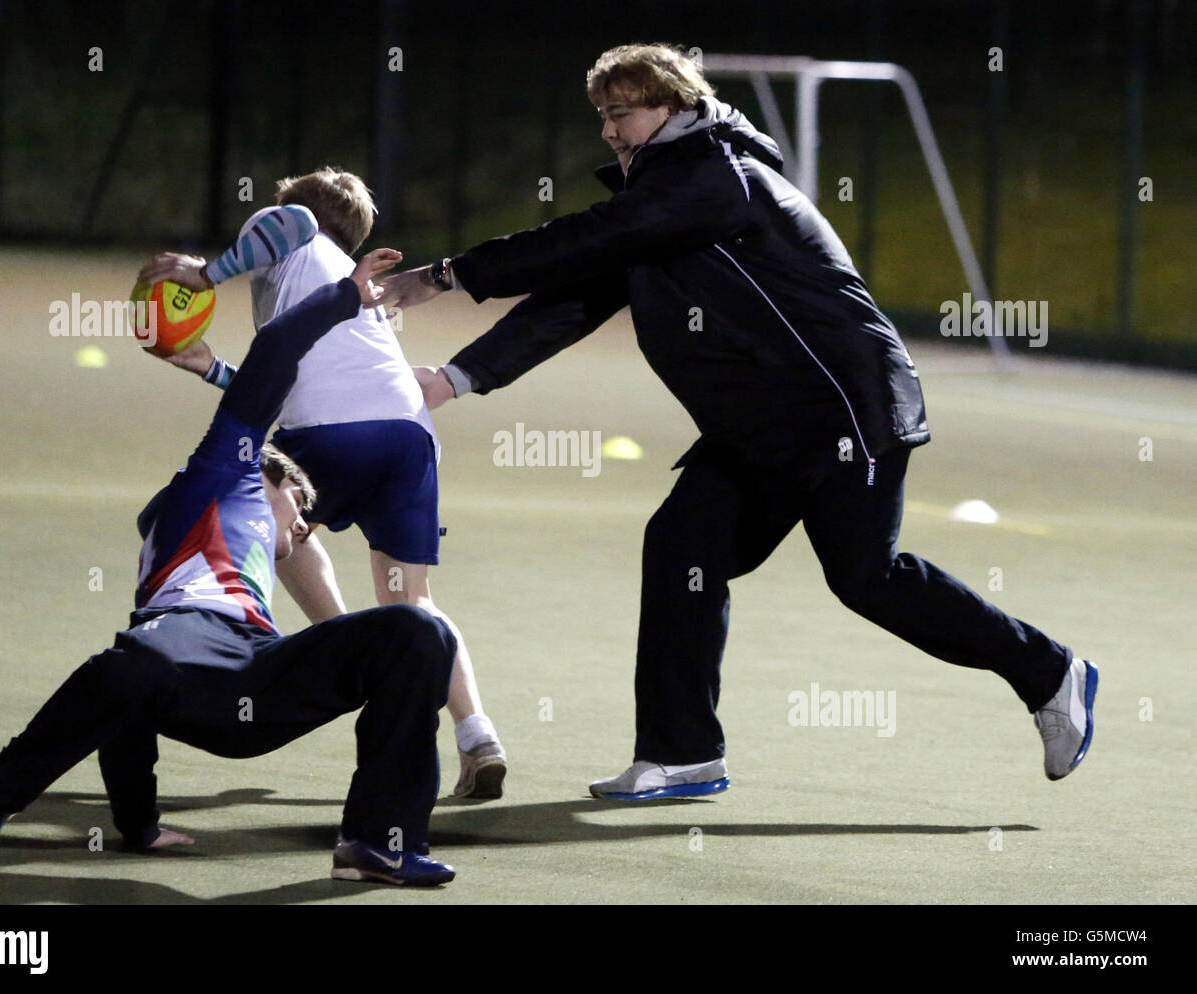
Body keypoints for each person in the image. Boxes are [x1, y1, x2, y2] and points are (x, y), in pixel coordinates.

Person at [381, 43, 1097, 800]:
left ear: (673, 106)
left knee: (866, 578)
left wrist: (445, 275)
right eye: (602, 116)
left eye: (620, 113)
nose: (609, 132)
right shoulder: (657, 196)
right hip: (759, 427)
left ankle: (1051, 673)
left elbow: (586, 240)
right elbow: (576, 291)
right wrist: (453, 379)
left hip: (843, 406)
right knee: (684, 545)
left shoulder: (717, 178)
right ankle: (684, 753)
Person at [0, 249, 462, 886]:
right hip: (190, 655)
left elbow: (125, 710)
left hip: (260, 673)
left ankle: (377, 842)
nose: (302, 525)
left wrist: (137, 825)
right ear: (257, 471)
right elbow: (272, 358)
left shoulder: (196, 534)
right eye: (298, 502)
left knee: (419, 632)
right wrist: (344, 297)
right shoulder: (226, 471)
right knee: (130, 664)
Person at [136, 168, 507, 799]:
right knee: (410, 599)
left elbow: (291, 222)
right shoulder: (342, 293)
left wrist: (205, 274)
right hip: (407, 438)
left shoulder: (294, 233)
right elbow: (289, 380)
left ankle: (346, 654)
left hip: (334, 432)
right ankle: (478, 735)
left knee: (268, 525)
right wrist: (210, 368)